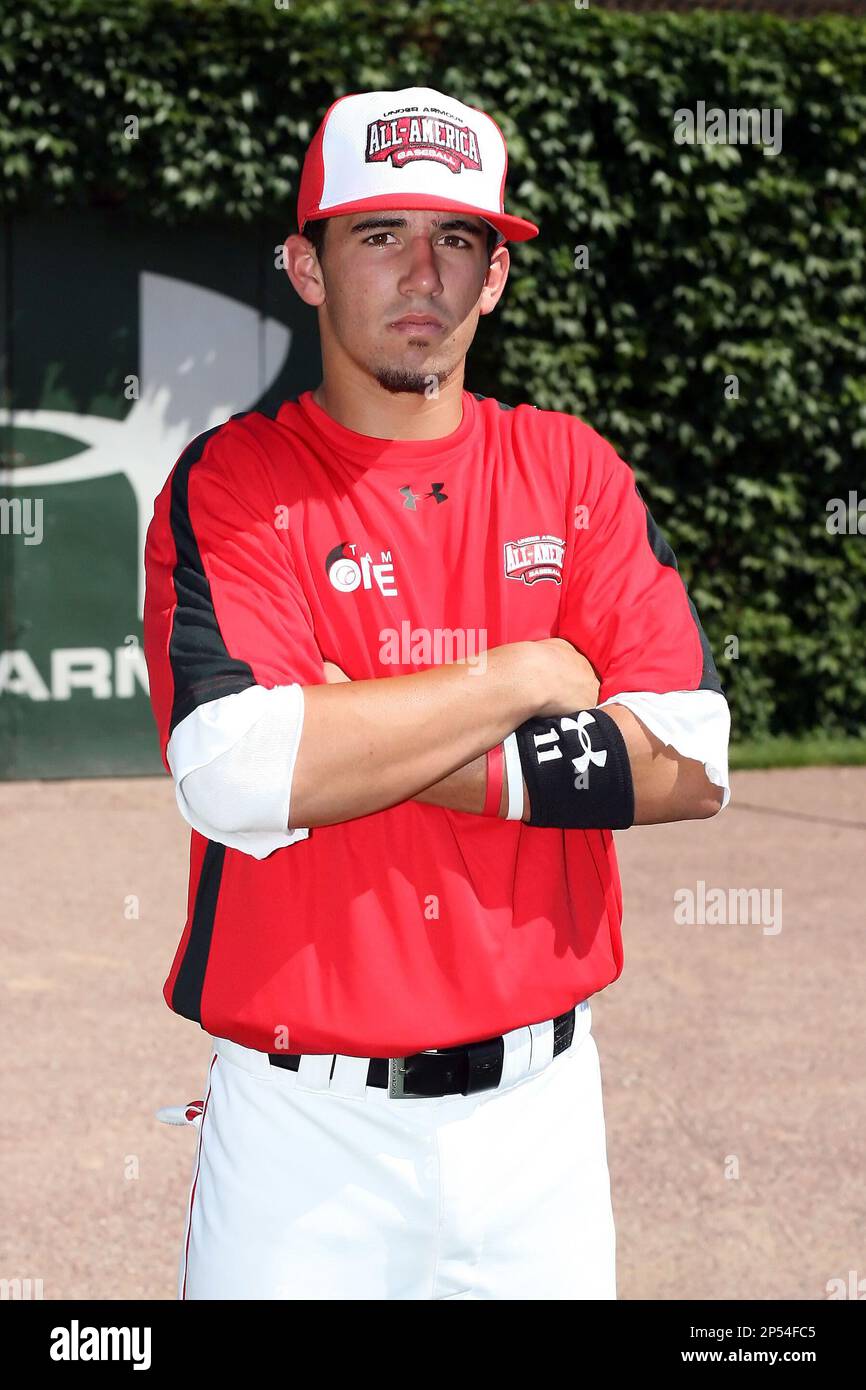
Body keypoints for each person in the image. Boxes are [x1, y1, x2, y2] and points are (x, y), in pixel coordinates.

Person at [143, 85, 730, 1301]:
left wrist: (363, 728)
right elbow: (239, 771)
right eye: (379, 235)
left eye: (458, 239)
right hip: (305, 1144)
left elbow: (691, 756)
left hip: (542, 1126)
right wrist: (521, 675)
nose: (425, 273)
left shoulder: (568, 467)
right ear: (304, 266)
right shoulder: (236, 481)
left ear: (497, 277)